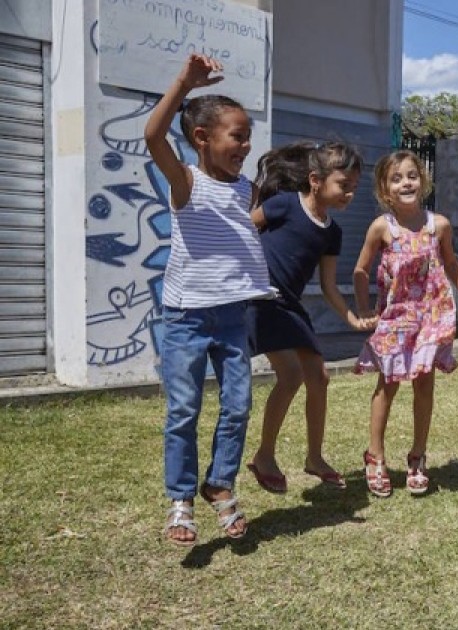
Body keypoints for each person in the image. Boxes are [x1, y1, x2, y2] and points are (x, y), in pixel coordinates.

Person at [145, 54, 275, 546]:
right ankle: (181, 501)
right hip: (187, 318)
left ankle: (220, 483)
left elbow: (247, 232)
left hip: (232, 317)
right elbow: (153, 136)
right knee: (184, 411)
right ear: (202, 138)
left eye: (247, 137)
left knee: (238, 406)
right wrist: (184, 83)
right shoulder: (186, 182)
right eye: (237, 136)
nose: (245, 145)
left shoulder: (246, 190)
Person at [353, 150, 458, 497]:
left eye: (412, 176)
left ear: (423, 181)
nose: (406, 183)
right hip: (397, 317)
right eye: (396, 178)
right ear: (384, 189)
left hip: (431, 315)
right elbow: (360, 270)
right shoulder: (382, 228)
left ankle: (418, 456)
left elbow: (451, 265)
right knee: (387, 385)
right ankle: (375, 455)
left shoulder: (438, 225)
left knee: (424, 386)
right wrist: (364, 308)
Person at [243, 141, 377, 495]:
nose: (349, 193)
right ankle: (264, 456)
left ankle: (314, 457)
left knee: (318, 377)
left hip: (289, 305)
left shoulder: (332, 232)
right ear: (315, 180)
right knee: (290, 376)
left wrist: (351, 318)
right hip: (261, 300)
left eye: (354, 187)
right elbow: (244, 230)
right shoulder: (286, 204)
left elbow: (329, 286)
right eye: (343, 185)